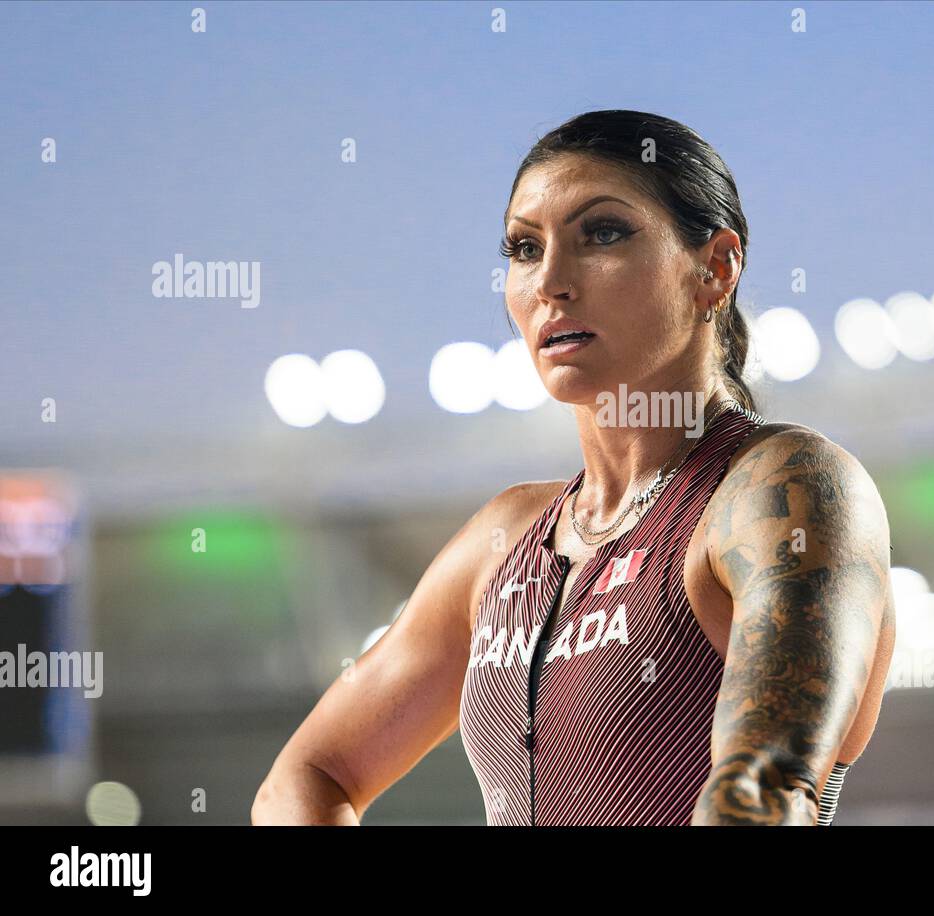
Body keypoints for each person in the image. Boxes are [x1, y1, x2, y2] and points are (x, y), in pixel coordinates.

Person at [252, 110, 895, 826]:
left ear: (714, 269)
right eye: (525, 248)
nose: (551, 281)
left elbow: (759, 798)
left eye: (603, 233)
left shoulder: (781, 488)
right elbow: (306, 778)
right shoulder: (504, 537)